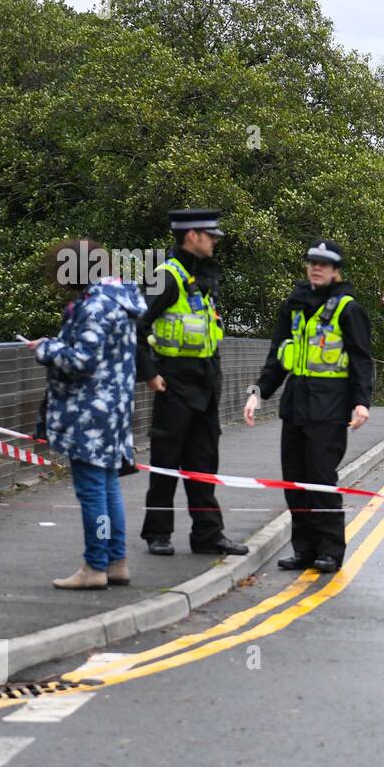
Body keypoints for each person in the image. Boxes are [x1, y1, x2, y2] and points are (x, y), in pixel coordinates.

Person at [243, 239, 373, 573]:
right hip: (296, 407)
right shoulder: (295, 305)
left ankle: (329, 550)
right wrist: (258, 391)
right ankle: (304, 550)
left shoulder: (348, 309)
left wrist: (361, 402)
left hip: (329, 410)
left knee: (320, 481)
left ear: (335, 270)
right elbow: (277, 357)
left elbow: (361, 360)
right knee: (295, 482)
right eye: (312, 262)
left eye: (323, 264)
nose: (316, 268)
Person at [28, 239, 146, 590]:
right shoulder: (120, 300)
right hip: (114, 408)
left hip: (90, 412)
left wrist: (46, 348)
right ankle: (115, 561)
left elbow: (83, 360)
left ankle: (95, 566)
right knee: (108, 487)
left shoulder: (95, 305)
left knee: (93, 489)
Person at [135, 209, 248, 558]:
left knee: (203, 464)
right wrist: (150, 374)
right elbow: (134, 326)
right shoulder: (164, 276)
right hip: (173, 384)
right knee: (165, 462)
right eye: (210, 235)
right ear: (191, 236)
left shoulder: (202, 277)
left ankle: (208, 534)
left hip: (204, 387)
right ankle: (158, 533)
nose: (215, 241)